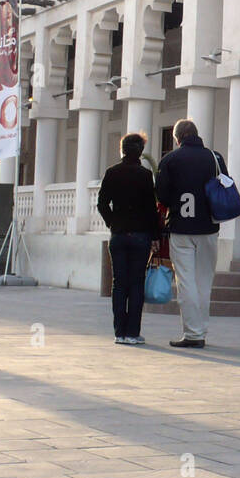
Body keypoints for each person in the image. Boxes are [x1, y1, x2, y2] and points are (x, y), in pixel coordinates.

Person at [155, 119, 229, 349]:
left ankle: (193, 333)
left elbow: (162, 197)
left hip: (181, 229)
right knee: (203, 282)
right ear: (197, 135)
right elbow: (225, 186)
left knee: (185, 282)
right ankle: (201, 330)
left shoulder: (170, 160)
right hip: (208, 228)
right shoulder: (214, 158)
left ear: (178, 139)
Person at [97, 132, 161, 345]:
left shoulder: (112, 172)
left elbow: (102, 204)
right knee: (136, 284)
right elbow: (152, 209)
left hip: (119, 235)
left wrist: (112, 222)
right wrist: (155, 236)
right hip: (140, 236)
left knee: (119, 284)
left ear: (122, 149)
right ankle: (133, 332)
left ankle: (119, 332)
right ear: (140, 152)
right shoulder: (144, 175)